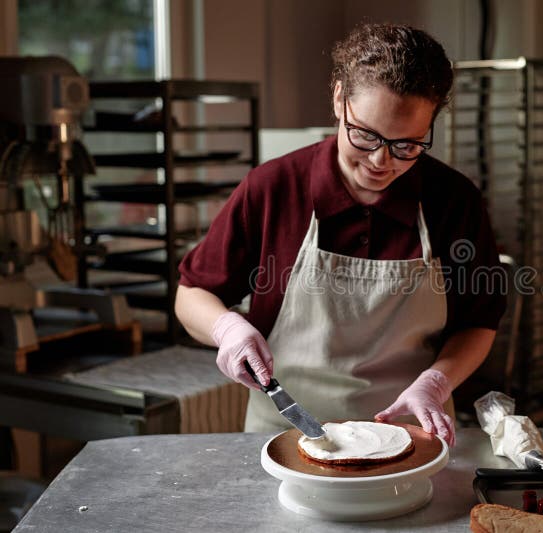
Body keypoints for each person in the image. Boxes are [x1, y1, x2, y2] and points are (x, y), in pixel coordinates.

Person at [175, 23, 505, 447]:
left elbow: (478, 322)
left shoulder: (452, 200)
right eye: (365, 134)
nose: (380, 161)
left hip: (408, 436)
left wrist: (438, 382)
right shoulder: (274, 188)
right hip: (284, 434)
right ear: (337, 98)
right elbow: (191, 294)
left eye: (407, 145)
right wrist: (227, 330)